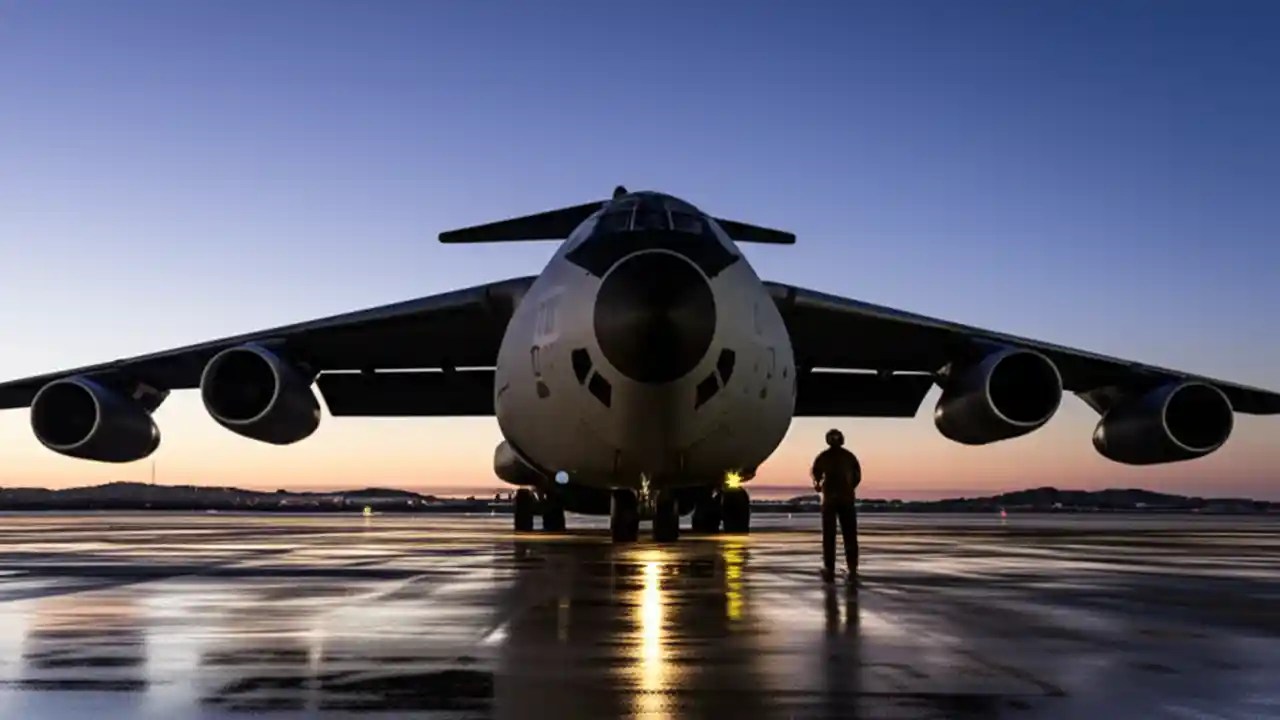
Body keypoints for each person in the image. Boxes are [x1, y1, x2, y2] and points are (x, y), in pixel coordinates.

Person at [810, 428, 861, 582]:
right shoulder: (849, 456)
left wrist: (818, 486)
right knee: (849, 534)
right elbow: (858, 476)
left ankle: (830, 566)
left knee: (830, 535)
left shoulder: (823, 457)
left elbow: (815, 475)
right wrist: (849, 487)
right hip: (845, 499)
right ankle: (851, 565)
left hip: (830, 500)